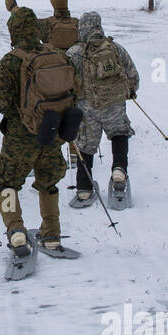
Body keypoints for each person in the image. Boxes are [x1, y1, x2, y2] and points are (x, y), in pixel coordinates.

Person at [0, 6, 71, 252]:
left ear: (13, 32)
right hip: (52, 132)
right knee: (48, 182)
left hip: (20, 137)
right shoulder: (57, 55)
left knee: (7, 182)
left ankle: (15, 230)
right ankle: (52, 234)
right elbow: (75, 91)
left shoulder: (12, 61)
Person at [67, 11, 140, 202]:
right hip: (114, 105)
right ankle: (119, 170)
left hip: (86, 107)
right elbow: (132, 75)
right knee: (119, 134)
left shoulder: (74, 53)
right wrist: (130, 91)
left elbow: (67, 82)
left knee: (86, 145)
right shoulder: (115, 48)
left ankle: (84, 188)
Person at [38, 0, 82, 167]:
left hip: (52, 75)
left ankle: (48, 154)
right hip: (73, 75)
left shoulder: (46, 24)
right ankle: (74, 153)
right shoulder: (77, 23)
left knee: (48, 112)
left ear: (53, 4)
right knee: (73, 113)